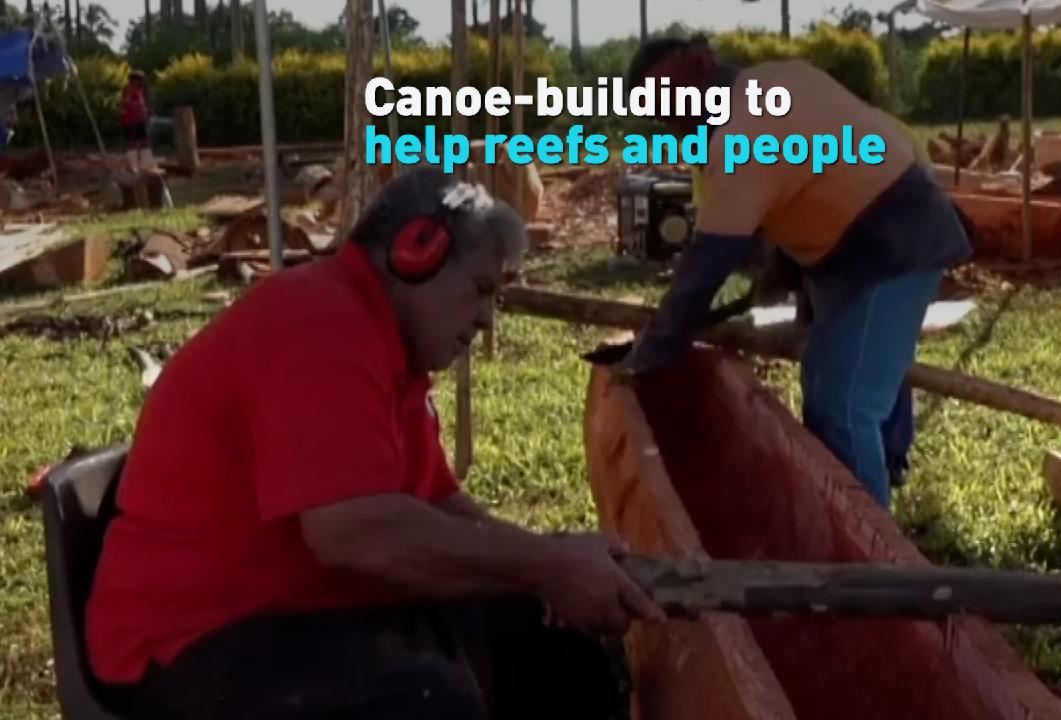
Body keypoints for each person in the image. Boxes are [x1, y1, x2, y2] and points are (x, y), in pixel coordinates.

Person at [84, 166, 665, 720]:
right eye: (481, 289)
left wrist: (546, 565)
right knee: (426, 705)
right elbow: (354, 534)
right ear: (417, 251)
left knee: (549, 642)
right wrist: (546, 565)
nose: (488, 318)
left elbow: (438, 504)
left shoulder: (391, 352)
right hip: (188, 638)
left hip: (288, 610)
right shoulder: (319, 323)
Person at [618, 37, 972, 509]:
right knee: (847, 377)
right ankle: (879, 476)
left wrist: (654, 352)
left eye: (671, 102)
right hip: (868, 244)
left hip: (890, 246)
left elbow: (706, 267)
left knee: (843, 404)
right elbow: (802, 179)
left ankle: (879, 561)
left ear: (701, 66)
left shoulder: (737, 132)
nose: (672, 120)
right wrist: (784, 268)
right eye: (660, 111)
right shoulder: (774, 80)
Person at [121, 70, 154, 171]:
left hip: (140, 119)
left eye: (140, 80)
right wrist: (136, 105)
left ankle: (146, 164)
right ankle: (132, 165)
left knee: (145, 141)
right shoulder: (128, 89)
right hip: (131, 120)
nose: (139, 82)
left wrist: (146, 110)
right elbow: (125, 102)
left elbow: (143, 103)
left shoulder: (141, 89)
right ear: (132, 79)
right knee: (133, 142)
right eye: (137, 79)